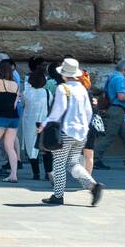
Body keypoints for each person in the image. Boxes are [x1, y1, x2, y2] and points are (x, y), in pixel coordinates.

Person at [41, 58, 103, 208]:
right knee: (73, 163)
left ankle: (58, 195)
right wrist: (85, 128)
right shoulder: (82, 88)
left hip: (66, 131)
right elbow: (88, 112)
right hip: (81, 133)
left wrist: (44, 124)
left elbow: (58, 111)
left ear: (63, 74)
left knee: (59, 163)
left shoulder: (63, 89)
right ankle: (92, 186)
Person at [92, 58, 125, 171]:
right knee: (109, 136)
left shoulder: (112, 76)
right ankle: (95, 159)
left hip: (114, 109)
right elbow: (121, 97)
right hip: (117, 110)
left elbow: (106, 94)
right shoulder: (120, 78)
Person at [22, 64, 51, 181]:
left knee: (31, 149)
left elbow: (23, 104)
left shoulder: (26, 93)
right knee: (45, 150)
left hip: (30, 123)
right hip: (44, 123)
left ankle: (36, 173)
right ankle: (48, 173)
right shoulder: (47, 93)